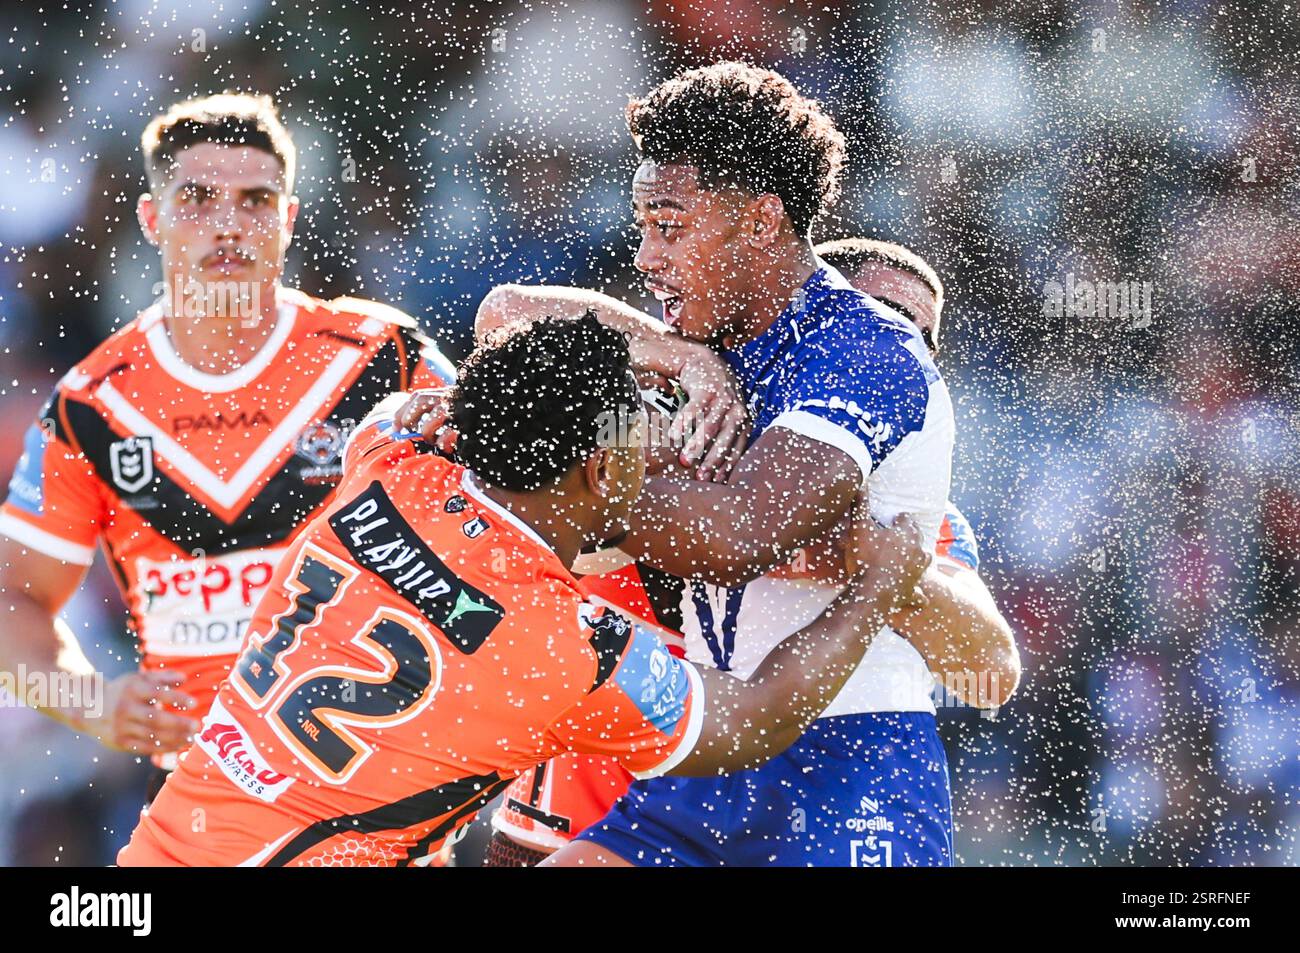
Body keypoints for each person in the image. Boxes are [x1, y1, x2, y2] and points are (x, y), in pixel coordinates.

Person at [399, 62, 960, 867]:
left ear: (762, 222)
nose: (646, 254)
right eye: (642, 225)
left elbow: (736, 537)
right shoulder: (716, 327)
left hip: (849, 763)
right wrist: (674, 359)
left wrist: (527, 453)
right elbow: (506, 316)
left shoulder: (865, 350)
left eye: (669, 225)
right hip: (714, 745)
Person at [116, 313, 928, 866]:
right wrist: (878, 589)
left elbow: (425, 397)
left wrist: (660, 359)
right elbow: (755, 719)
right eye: (638, 422)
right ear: (601, 468)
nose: (655, 437)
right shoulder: (563, 645)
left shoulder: (393, 462)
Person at [480, 237, 1018, 865]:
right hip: (609, 779)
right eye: (870, 318)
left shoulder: (914, 517)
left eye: (910, 334)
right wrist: (679, 357)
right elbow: (504, 313)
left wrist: (882, 567)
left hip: (811, 769)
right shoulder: (694, 409)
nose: (878, 351)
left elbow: (991, 674)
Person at [0, 93, 454, 791]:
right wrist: (93, 704)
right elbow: (13, 598)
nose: (229, 225)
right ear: (151, 219)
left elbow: (505, 517)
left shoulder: (382, 358)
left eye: (256, 201)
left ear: (289, 219)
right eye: (198, 199)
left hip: (389, 788)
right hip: (200, 799)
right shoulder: (92, 407)